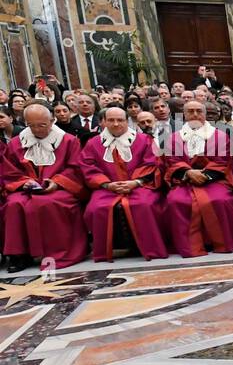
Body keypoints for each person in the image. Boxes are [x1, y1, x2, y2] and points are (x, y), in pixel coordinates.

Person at [2, 103, 88, 272]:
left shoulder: (68, 140)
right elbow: (9, 171)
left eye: (42, 125)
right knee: (13, 204)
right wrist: (23, 182)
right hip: (26, 187)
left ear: (52, 120)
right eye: (31, 125)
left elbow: (75, 169)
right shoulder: (15, 143)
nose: (37, 130)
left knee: (44, 204)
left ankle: (55, 253)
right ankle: (19, 255)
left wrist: (56, 182)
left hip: (59, 188)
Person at [79, 106, 168, 263]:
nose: (115, 124)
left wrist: (135, 182)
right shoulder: (93, 144)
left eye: (120, 120)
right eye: (111, 120)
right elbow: (88, 167)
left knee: (143, 204)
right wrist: (107, 184)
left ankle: (150, 248)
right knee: (96, 208)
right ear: (103, 122)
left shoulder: (144, 140)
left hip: (139, 185)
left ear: (127, 122)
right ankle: (105, 251)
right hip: (107, 188)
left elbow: (152, 163)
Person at [164, 99, 233, 257]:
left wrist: (204, 175)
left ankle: (221, 242)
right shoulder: (173, 138)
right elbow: (172, 162)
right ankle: (190, 246)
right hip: (184, 181)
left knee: (220, 200)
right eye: (190, 111)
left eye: (199, 111)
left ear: (205, 114)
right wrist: (188, 173)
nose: (195, 115)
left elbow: (223, 161)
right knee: (176, 201)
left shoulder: (219, 136)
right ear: (183, 115)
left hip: (215, 180)